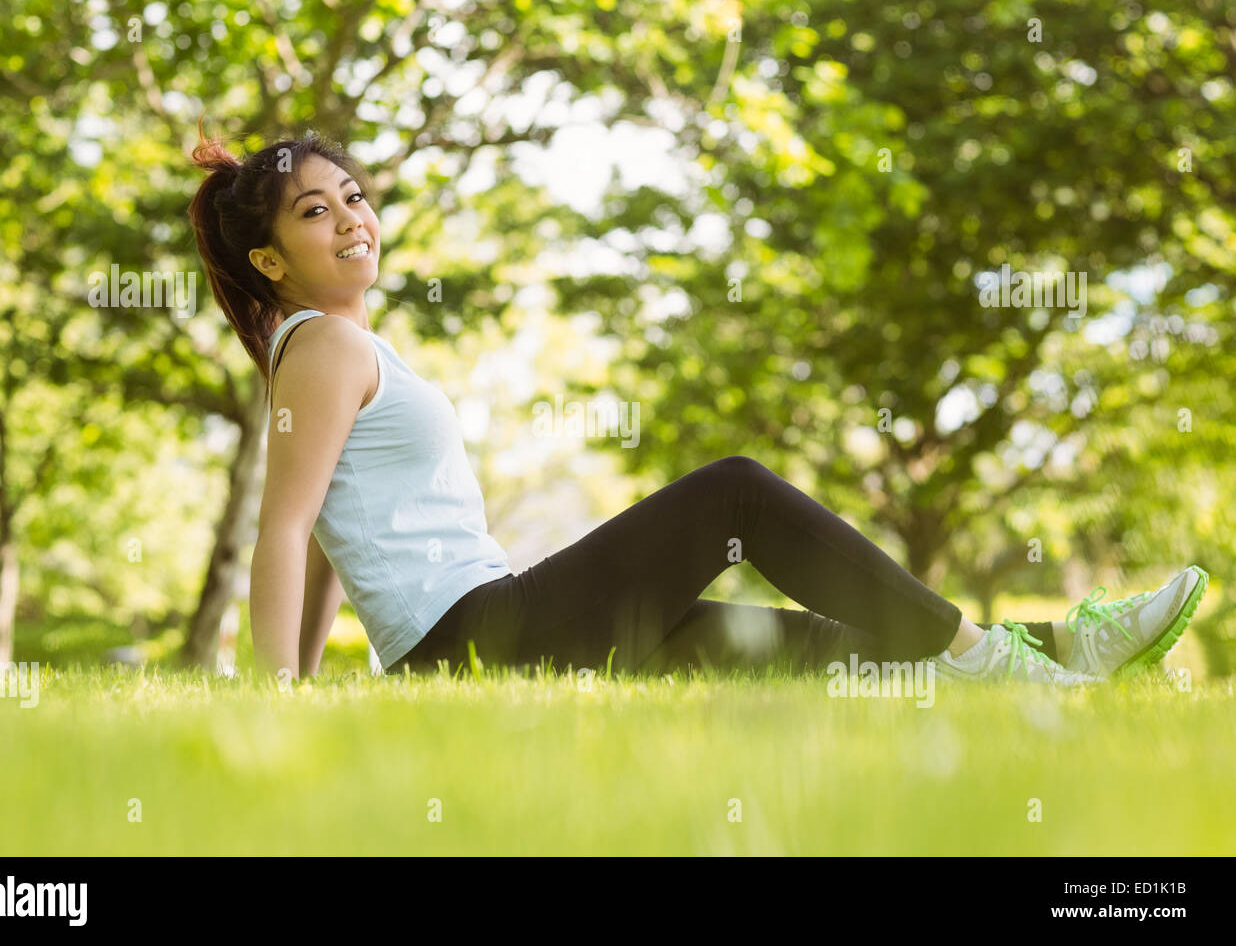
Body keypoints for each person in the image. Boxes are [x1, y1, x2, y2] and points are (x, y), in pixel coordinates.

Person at [187, 124, 1209, 687]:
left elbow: (324, 529)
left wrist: (315, 679)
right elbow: (282, 530)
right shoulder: (325, 344)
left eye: (353, 194)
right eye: (314, 212)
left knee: (810, 651)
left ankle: (1062, 658)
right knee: (734, 496)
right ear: (271, 260)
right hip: (477, 633)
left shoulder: (334, 348)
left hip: (488, 629)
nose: (351, 218)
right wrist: (275, 701)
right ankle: (1004, 659)